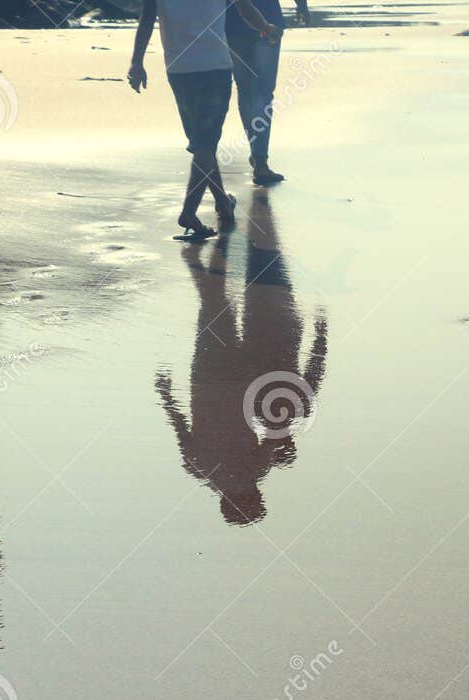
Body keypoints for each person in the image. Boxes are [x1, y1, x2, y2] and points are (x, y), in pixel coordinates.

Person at [156, 198, 328, 525]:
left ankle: (227, 231)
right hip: (205, 379)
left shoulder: (252, 472)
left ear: (251, 498)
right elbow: (178, 424)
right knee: (214, 306)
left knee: (221, 302)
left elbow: (271, 441)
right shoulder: (197, 469)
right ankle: (224, 234)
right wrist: (165, 391)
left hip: (240, 380)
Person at [127, 0, 280, 240]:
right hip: (214, 67)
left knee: (202, 144)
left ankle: (222, 202)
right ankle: (188, 213)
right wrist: (266, 28)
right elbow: (245, 8)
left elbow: (147, 19)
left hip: (179, 69)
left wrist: (136, 62)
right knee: (205, 145)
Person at [229, 0, 310, 186]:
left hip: (232, 22)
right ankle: (260, 160)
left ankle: (258, 153)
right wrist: (302, 6)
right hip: (267, 20)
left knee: (247, 91)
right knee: (262, 93)